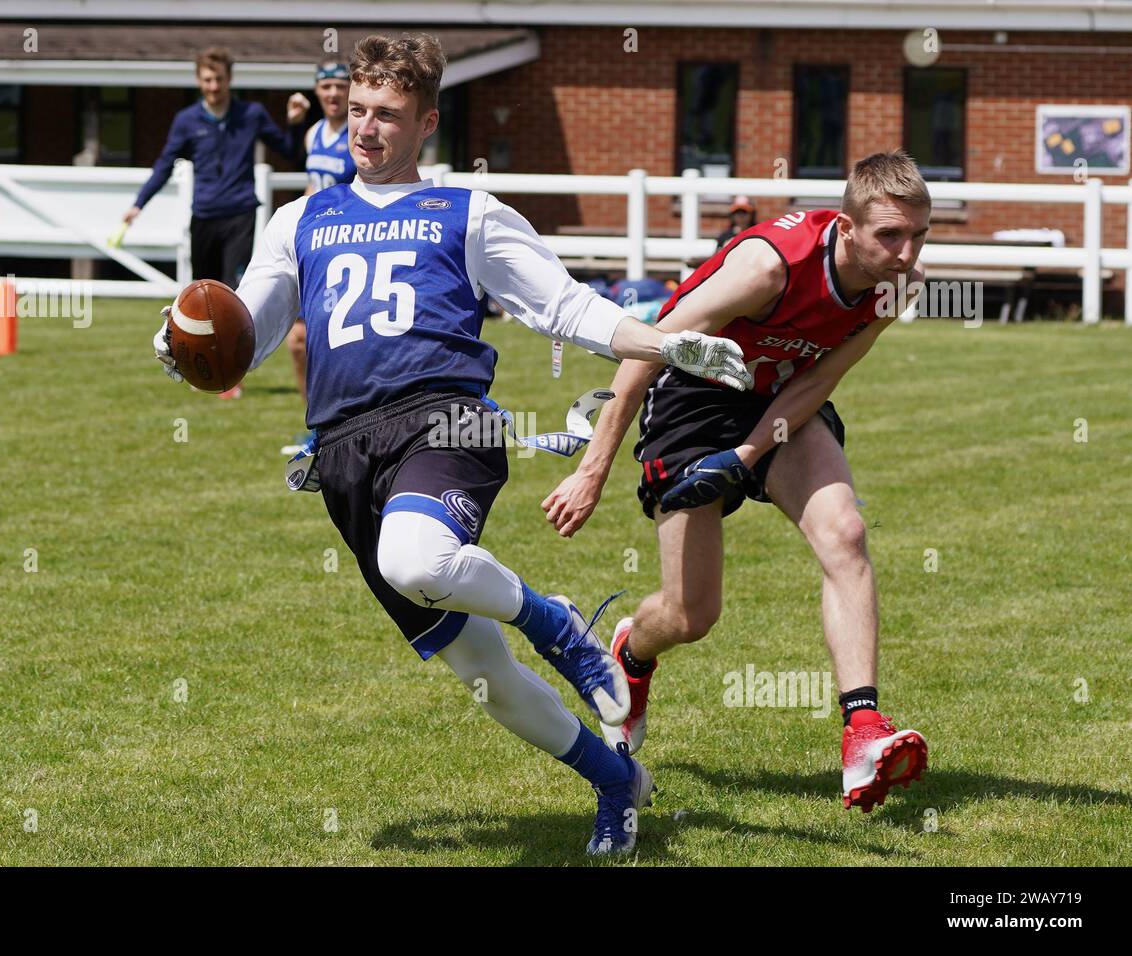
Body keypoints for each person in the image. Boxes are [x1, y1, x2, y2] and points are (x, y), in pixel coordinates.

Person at [154, 33, 753, 855]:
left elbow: (565, 308)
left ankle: (559, 624)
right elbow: (247, 334)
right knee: (485, 677)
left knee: (416, 560)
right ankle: (617, 782)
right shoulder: (300, 221)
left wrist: (666, 345)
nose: (366, 130)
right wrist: (185, 344)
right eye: (358, 111)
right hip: (344, 454)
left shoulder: (466, 212)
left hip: (446, 423)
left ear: (426, 122)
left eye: (387, 115)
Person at [542, 150, 931, 813]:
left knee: (846, 532)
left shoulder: (899, 285)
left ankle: (864, 732)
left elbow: (819, 379)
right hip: (691, 398)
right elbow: (649, 345)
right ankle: (631, 656)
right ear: (846, 225)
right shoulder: (768, 267)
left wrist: (748, 455)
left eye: (918, 234)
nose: (906, 253)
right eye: (889, 235)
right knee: (693, 615)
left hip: (780, 403)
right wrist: (593, 467)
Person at [126, 46, 307, 398]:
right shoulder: (187, 121)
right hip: (204, 215)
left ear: (229, 79)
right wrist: (139, 204)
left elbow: (290, 152)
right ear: (198, 81)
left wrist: (295, 123)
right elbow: (165, 163)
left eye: (219, 79)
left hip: (239, 213)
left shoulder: (250, 115)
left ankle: (230, 374)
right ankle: (196, 364)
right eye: (207, 80)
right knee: (199, 296)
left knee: (228, 293)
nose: (213, 86)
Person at [281, 63, 359, 450]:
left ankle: (347, 424)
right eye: (325, 86)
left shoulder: (361, 134)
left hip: (350, 249)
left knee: (341, 340)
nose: (332, 94)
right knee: (298, 341)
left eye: (340, 86)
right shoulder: (313, 133)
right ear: (316, 91)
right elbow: (314, 185)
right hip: (315, 245)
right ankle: (315, 422)